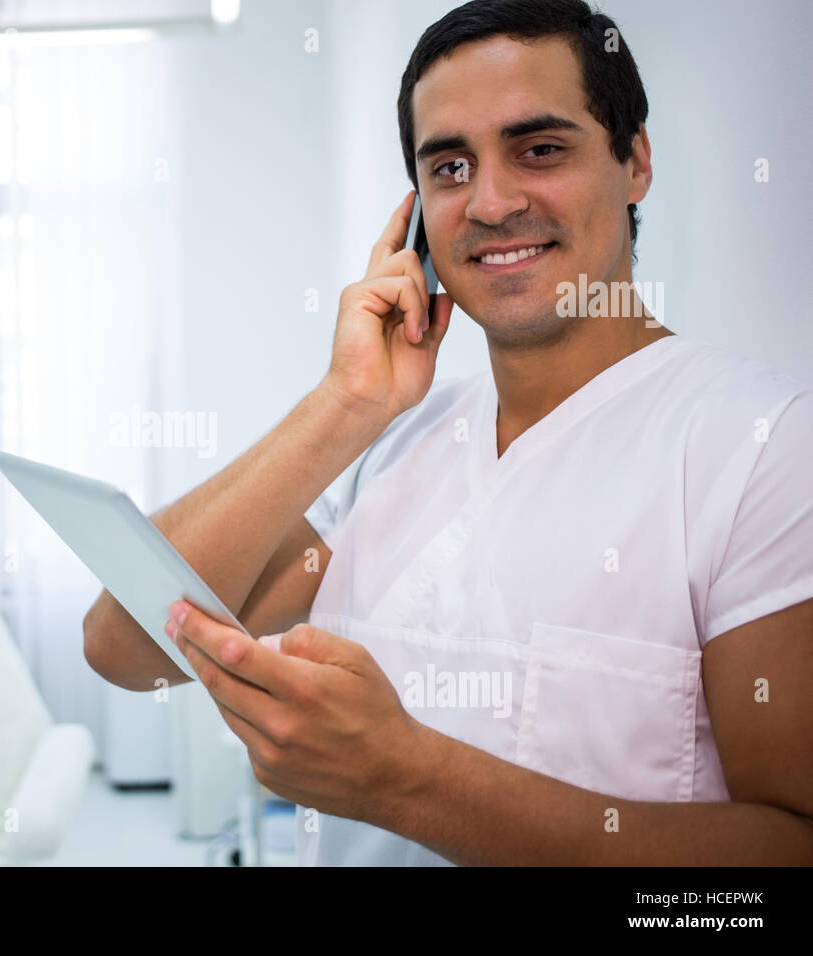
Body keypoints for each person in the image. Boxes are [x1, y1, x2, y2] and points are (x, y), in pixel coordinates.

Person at [83, 0, 813, 865]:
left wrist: (407, 781)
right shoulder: (394, 444)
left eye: (539, 150)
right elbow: (125, 646)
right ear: (417, 215)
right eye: (451, 167)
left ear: (635, 161)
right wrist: (347, 403)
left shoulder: (764, 447)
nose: (493, 203)